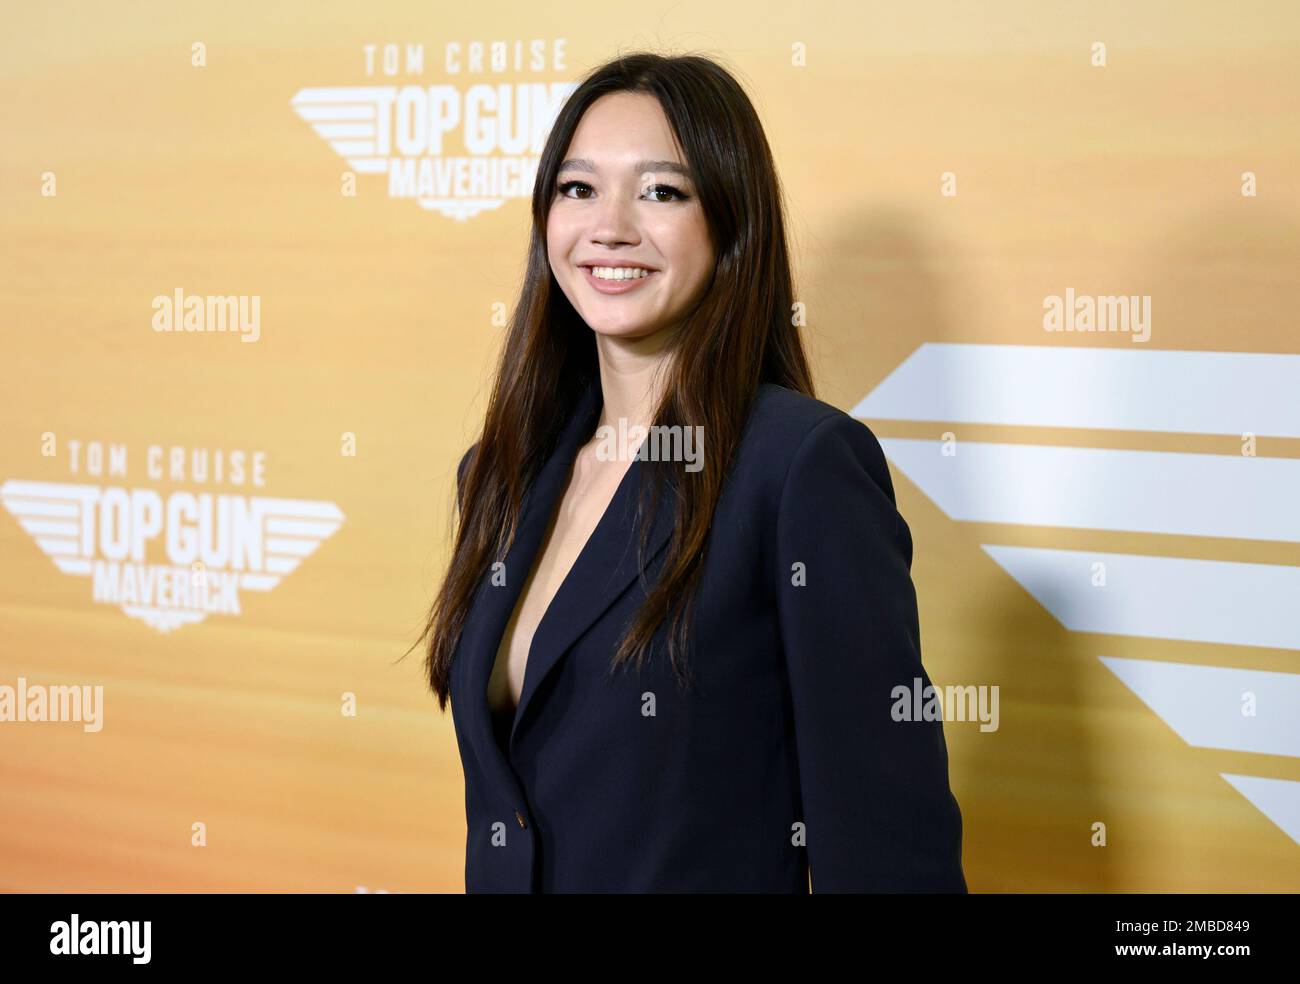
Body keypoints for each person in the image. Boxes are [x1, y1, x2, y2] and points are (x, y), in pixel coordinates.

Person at [412, 51, 967, 893]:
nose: (611, 227)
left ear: (729, 224)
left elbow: (888, 845)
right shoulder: (500, 473)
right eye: (578, 188)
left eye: (662, 192)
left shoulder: (798, 469)